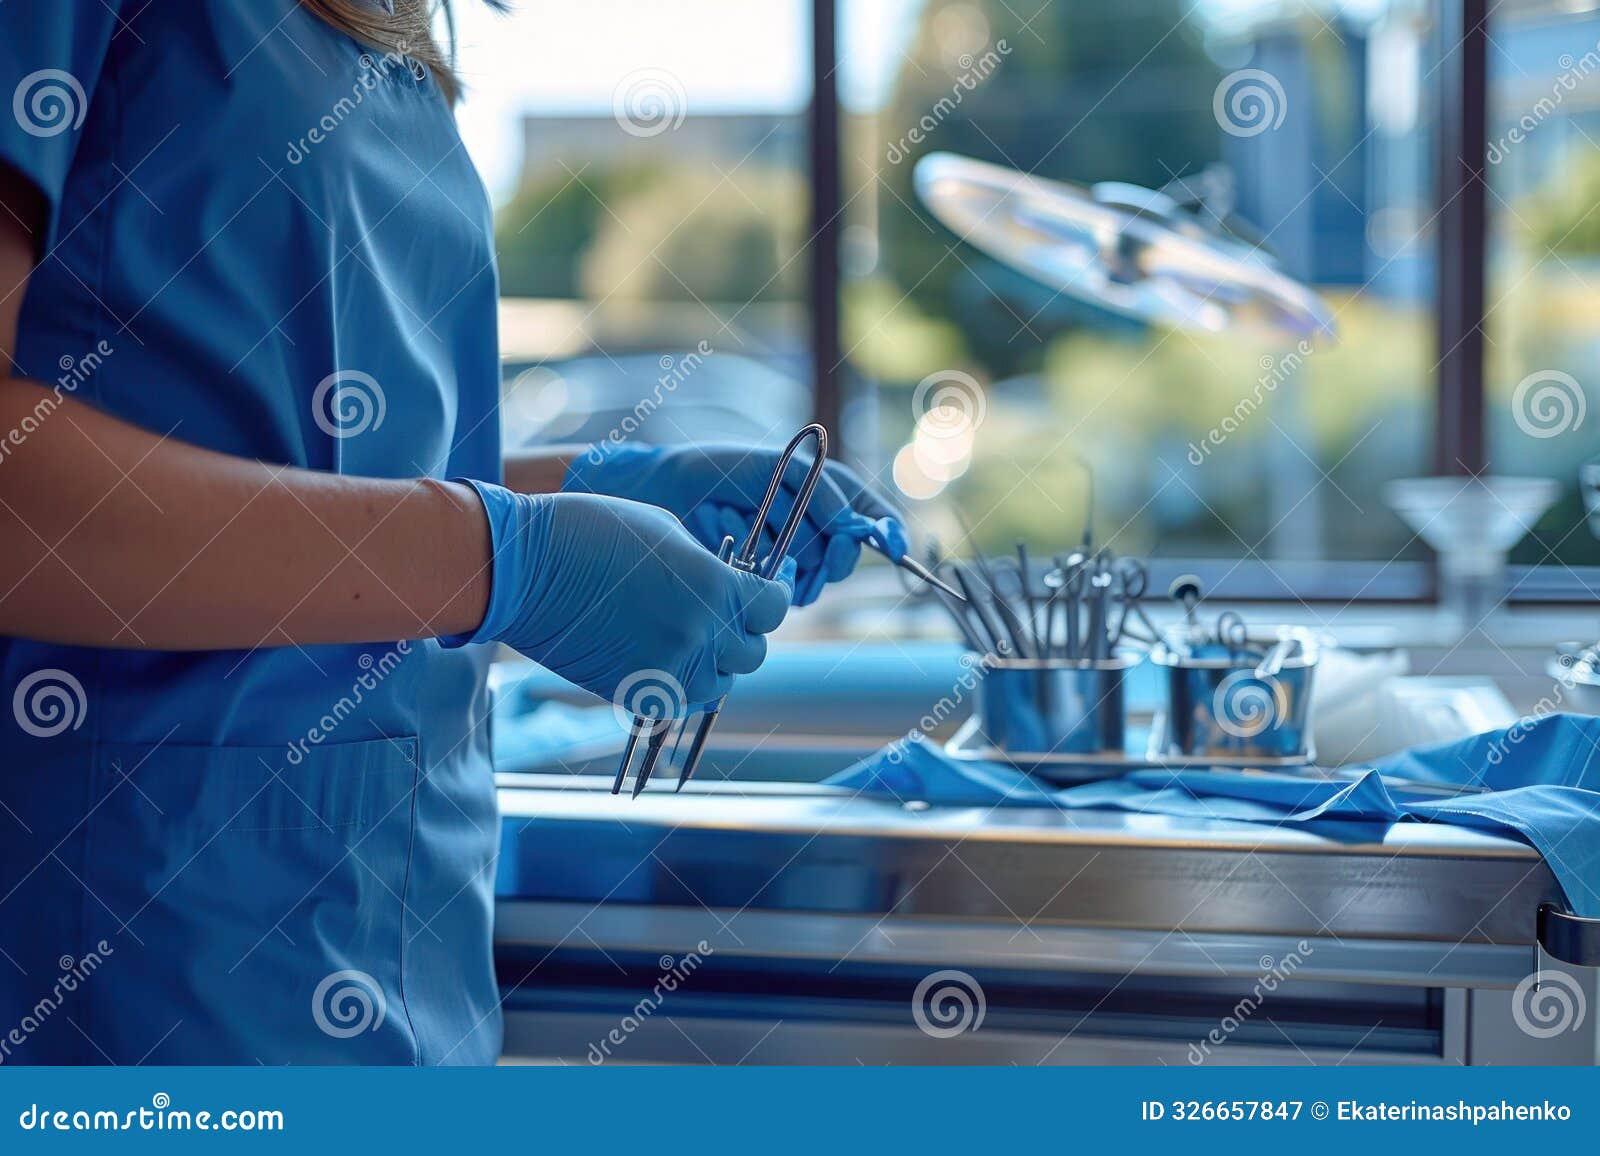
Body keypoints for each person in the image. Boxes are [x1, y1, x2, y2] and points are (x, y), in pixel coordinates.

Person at [0, 0, 899, 1065]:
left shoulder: (379, 28)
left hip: (401, 941)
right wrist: (504, 557)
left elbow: (313, 460)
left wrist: (594, 491)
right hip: (141, 967)